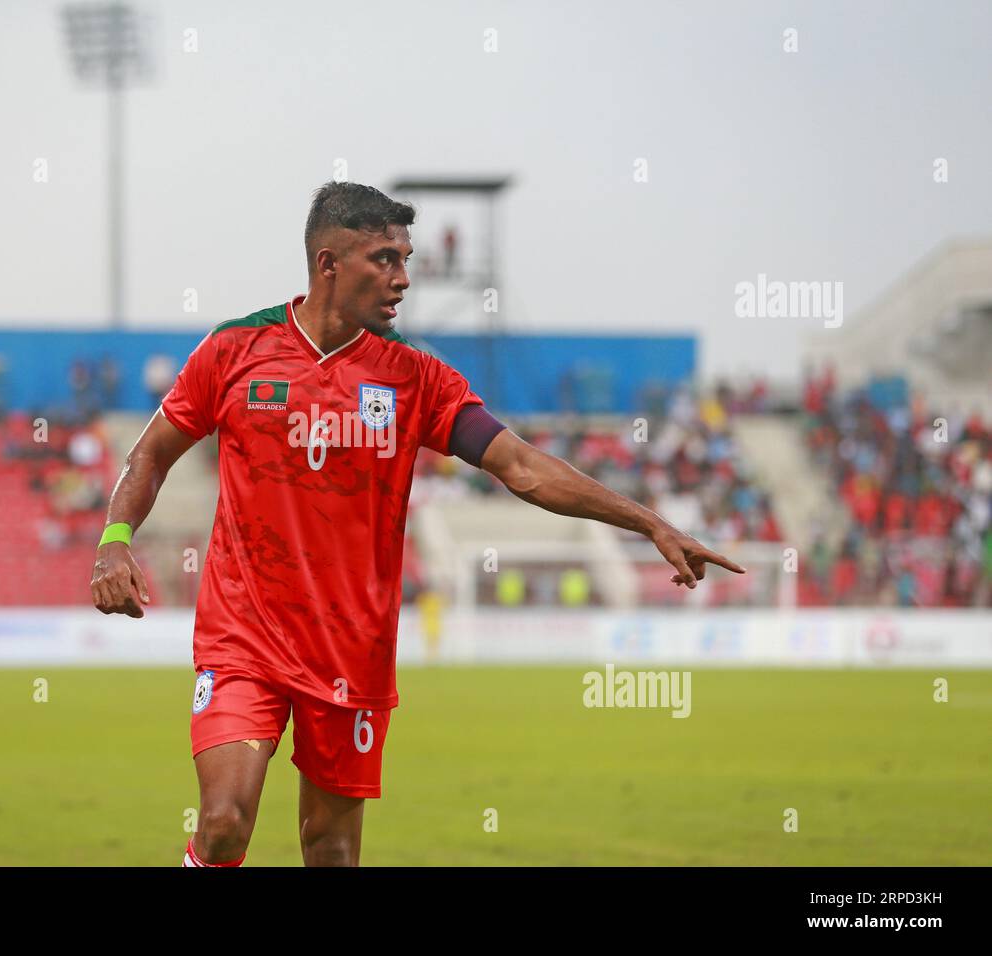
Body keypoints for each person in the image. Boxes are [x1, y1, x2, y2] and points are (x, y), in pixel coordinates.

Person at [88, 181, 744, 867]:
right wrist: (113, 542)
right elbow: (151, 454)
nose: (403, 278)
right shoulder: (234, 350)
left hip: (351, 649)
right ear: (328, 264)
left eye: (406, 259)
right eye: (385, 259)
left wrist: (646, 522)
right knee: (223, 820)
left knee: (330, 847)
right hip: (243, 637)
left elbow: (519, 466)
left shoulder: (415, 379)